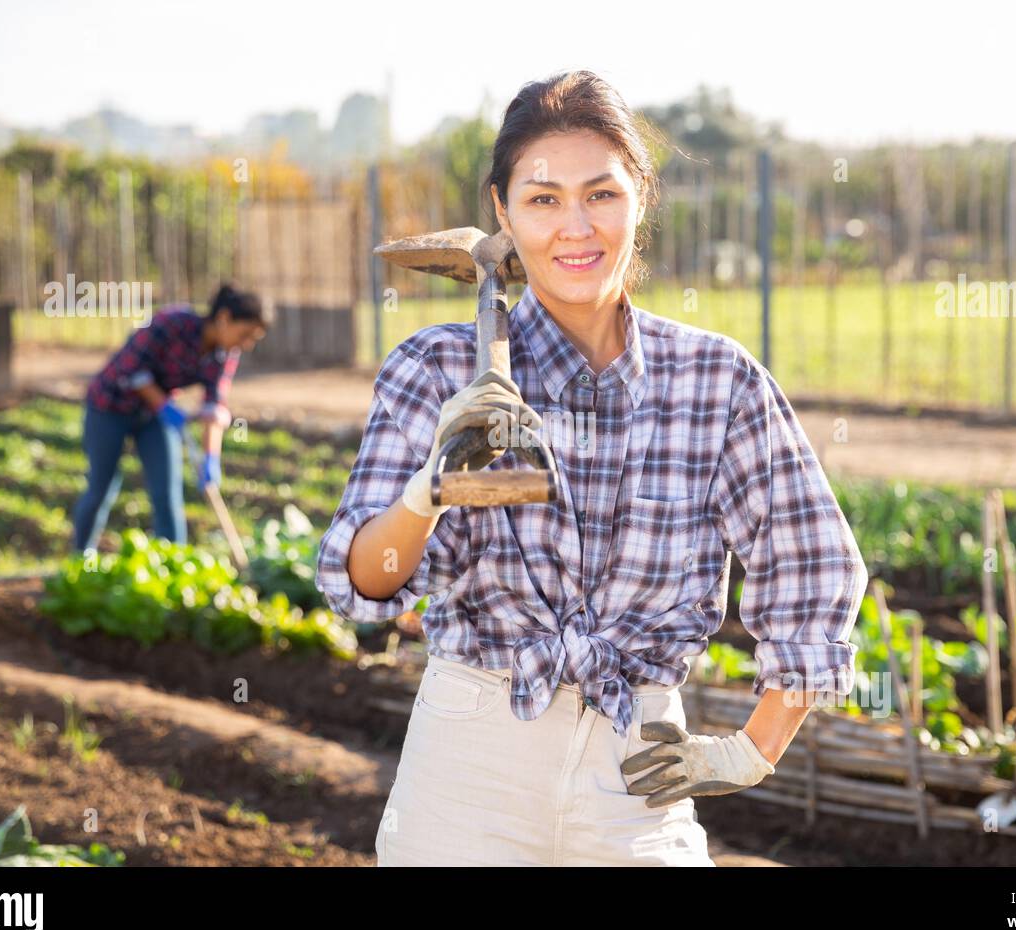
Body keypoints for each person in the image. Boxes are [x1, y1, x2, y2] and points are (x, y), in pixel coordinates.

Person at [315, 70, 869, 866]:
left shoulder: (716, 380)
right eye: (543, 200)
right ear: (502, 212)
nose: (576, 226)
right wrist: (427, 490)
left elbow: (812, 563)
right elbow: (365, 582)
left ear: (639, 197)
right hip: (470, 766)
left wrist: (751, 749)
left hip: (637, 771)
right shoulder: (439, 369)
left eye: (600, 194)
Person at [71, 283, 266, 553]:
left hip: (152, 416)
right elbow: (132, 370)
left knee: (167, 492)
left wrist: (211, 457)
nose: (246, 345)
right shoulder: (172, 323)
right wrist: (163, 405)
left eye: (252, 340)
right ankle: (81, 560)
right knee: (101, 489)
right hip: (109, 407)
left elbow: (214, 406)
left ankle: (173, 564)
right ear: (223, 318)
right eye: (245, 335)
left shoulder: (224, 354)